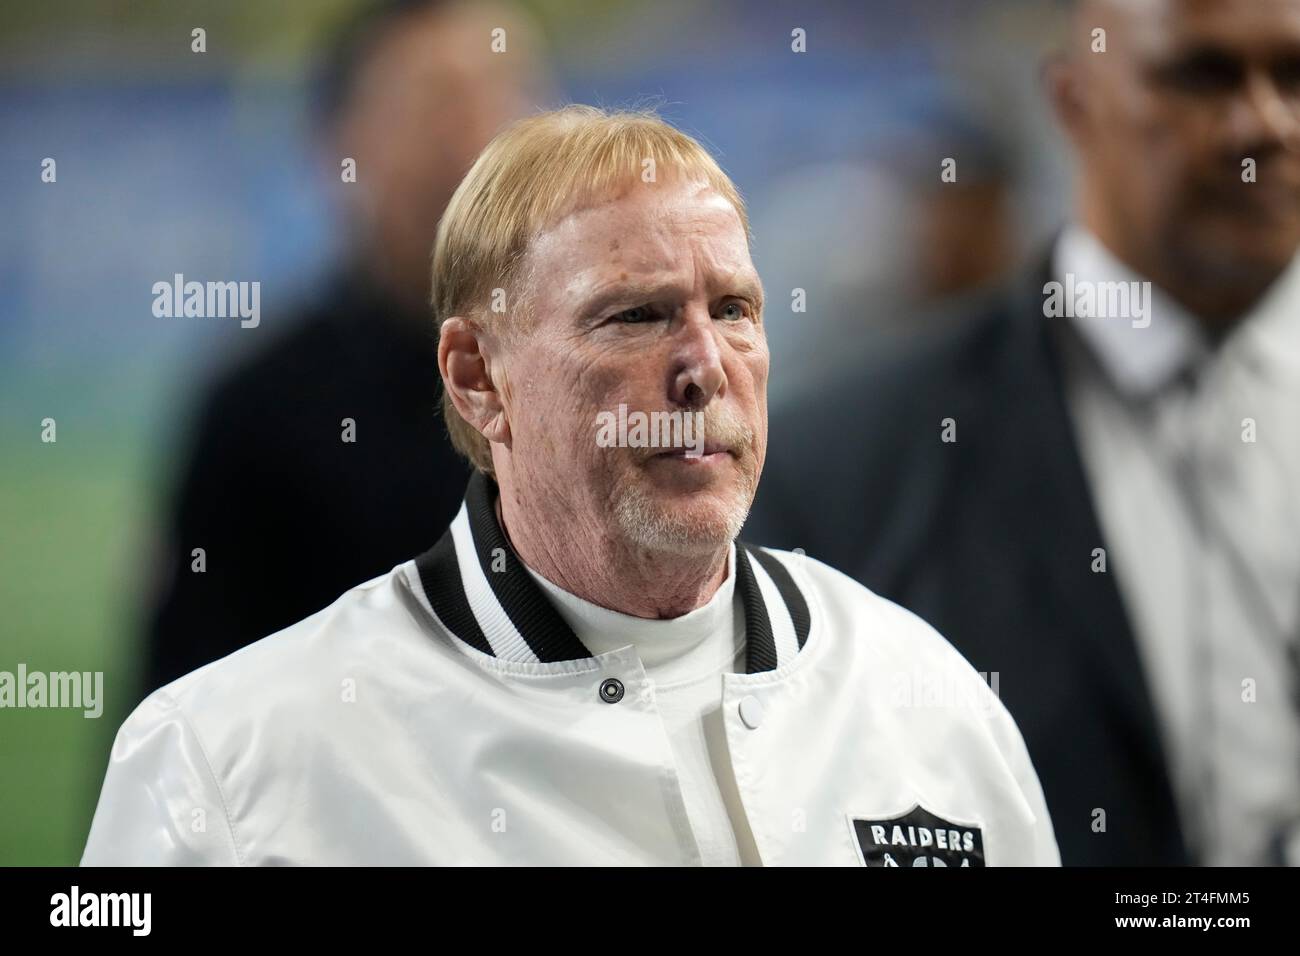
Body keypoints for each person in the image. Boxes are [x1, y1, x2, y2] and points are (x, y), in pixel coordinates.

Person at [81, 106, 1060, 866]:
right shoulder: (228, 764)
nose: (703, 365)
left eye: (733, 308)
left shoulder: (924, 697)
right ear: (476, 376)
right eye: (634, 315)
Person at [750, 0, 1300, 866]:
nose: (1265, 121)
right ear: (1075, 101)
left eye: (1295, 77)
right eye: (1203, 74)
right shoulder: (842, 476)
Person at [140, 0, 549, 695]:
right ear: (339, 146)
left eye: (506, 91)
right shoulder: (261, 412)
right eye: (437, 103)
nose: (482, 138)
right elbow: (177, 715)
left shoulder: (606, 372)